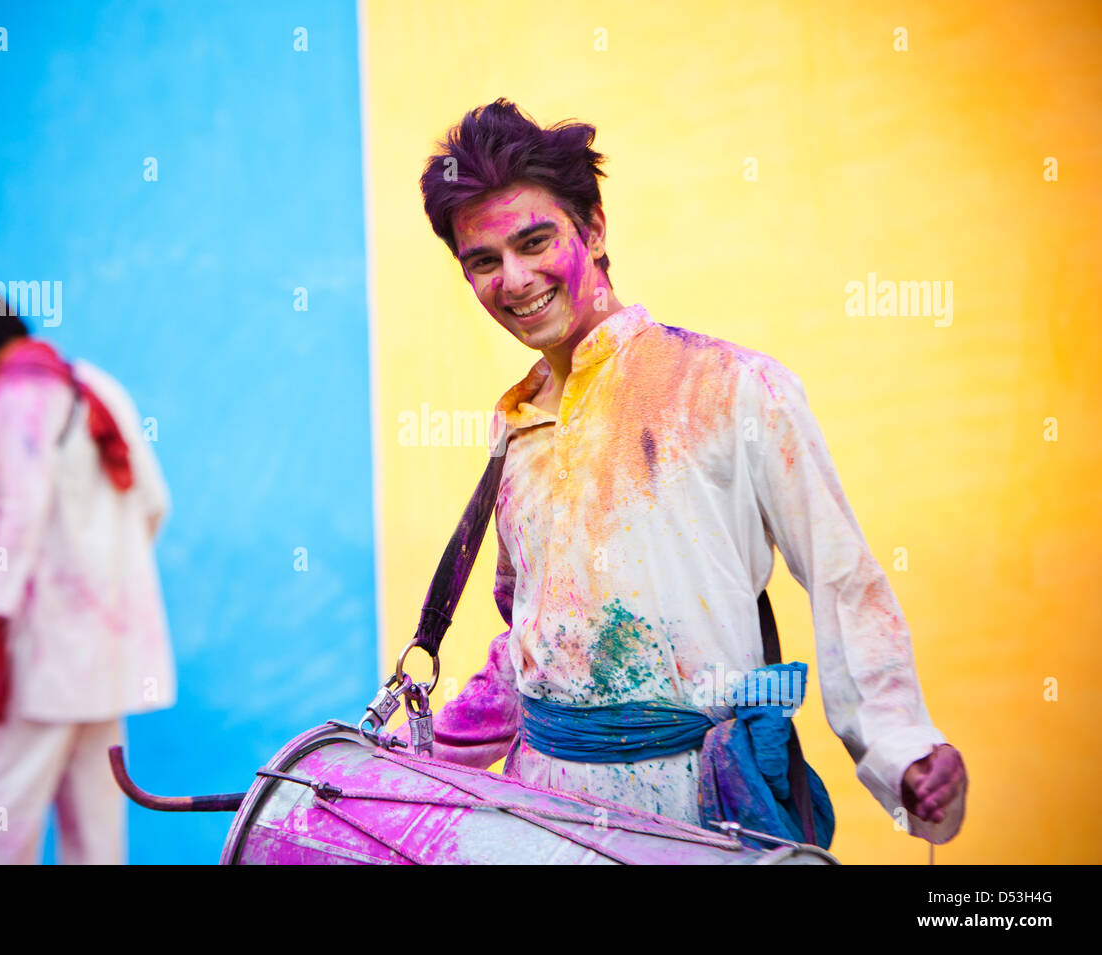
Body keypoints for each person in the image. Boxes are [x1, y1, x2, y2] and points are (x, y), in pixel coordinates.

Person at [410, 99, 967, 847]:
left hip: (698, 813)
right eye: (483, 261)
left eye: (533, 240)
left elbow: (843, 579)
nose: (513, 279)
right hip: (542, 816)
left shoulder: (734, 388)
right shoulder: (513, 428)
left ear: (594, 227)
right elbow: (528, 632)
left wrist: (903, 749)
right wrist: (433, 749)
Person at [0, 290, 176, 864]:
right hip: (106, 656)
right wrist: (103, 575)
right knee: (96, 838)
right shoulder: (97, 385)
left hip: (42, 659)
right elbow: (153, 502)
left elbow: (18, 512)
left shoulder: (17, 394)